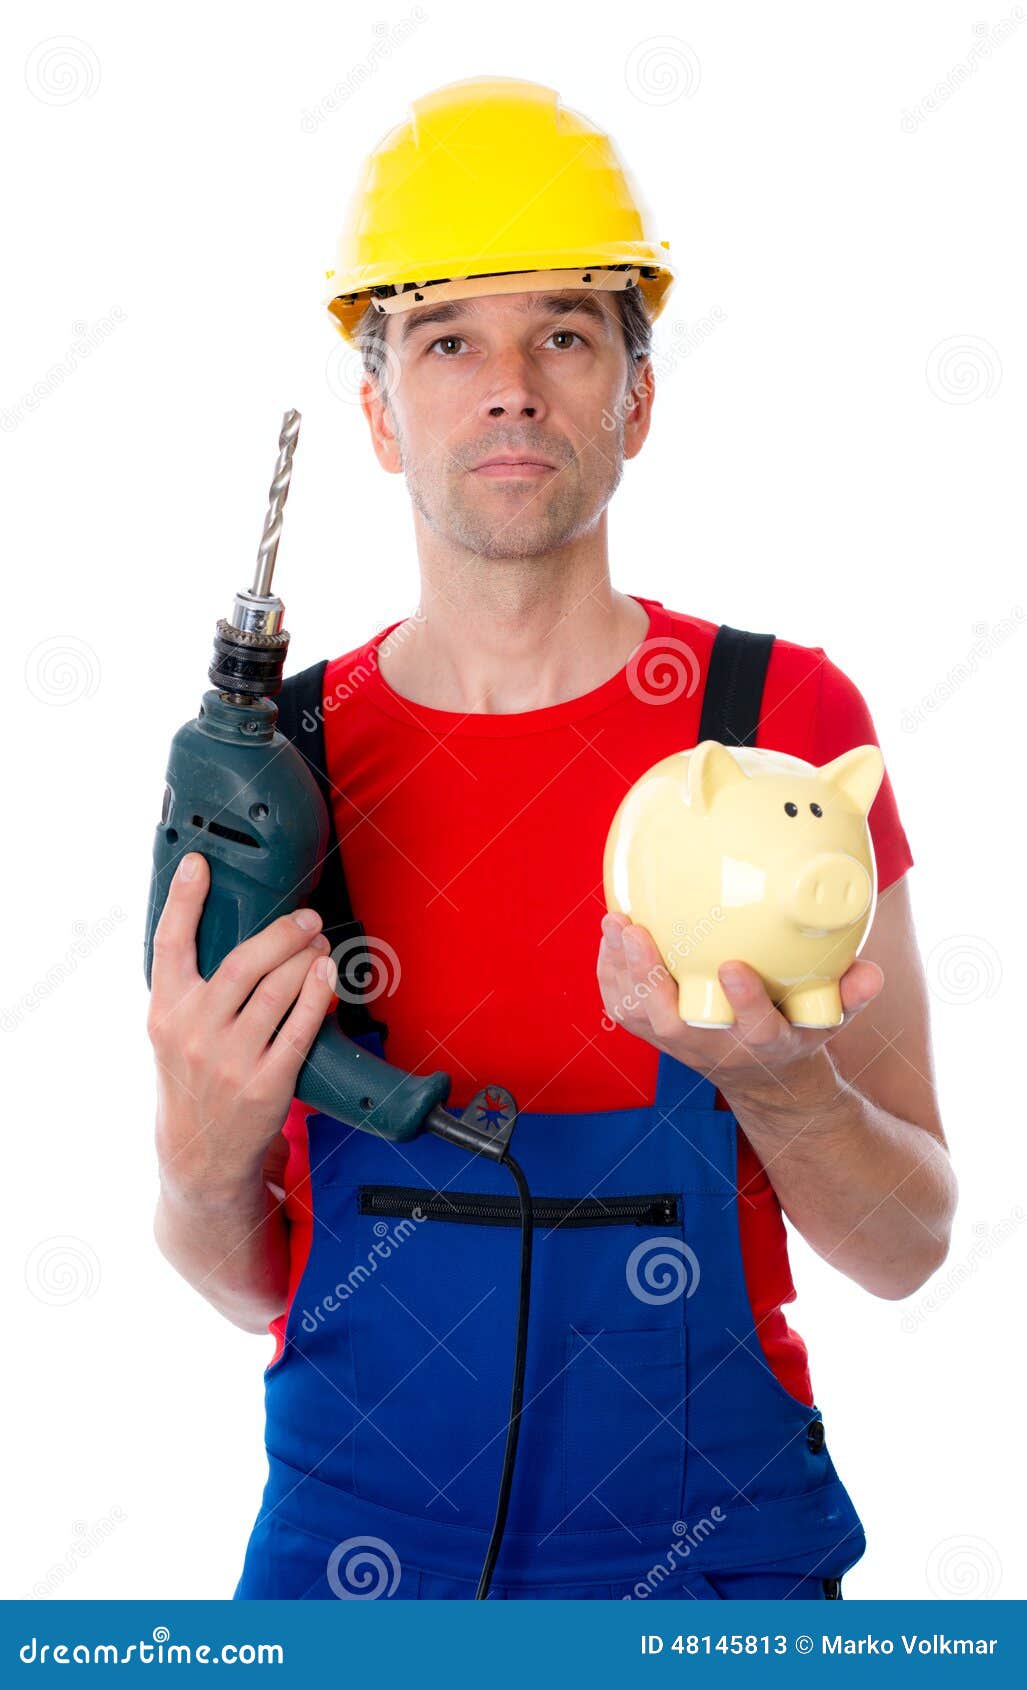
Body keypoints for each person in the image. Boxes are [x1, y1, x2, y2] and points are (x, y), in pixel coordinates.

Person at [147, 77, 957, 1601]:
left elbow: (911, 1238)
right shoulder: (283, 769)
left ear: (636, 396)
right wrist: (197, 1158)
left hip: (713, 1578)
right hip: (352, 1577)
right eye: (449, 339)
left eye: (564, 334)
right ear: (381, 409)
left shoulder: (777, 720)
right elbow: (246, 1263)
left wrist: (783, 1088)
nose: (508, 384)